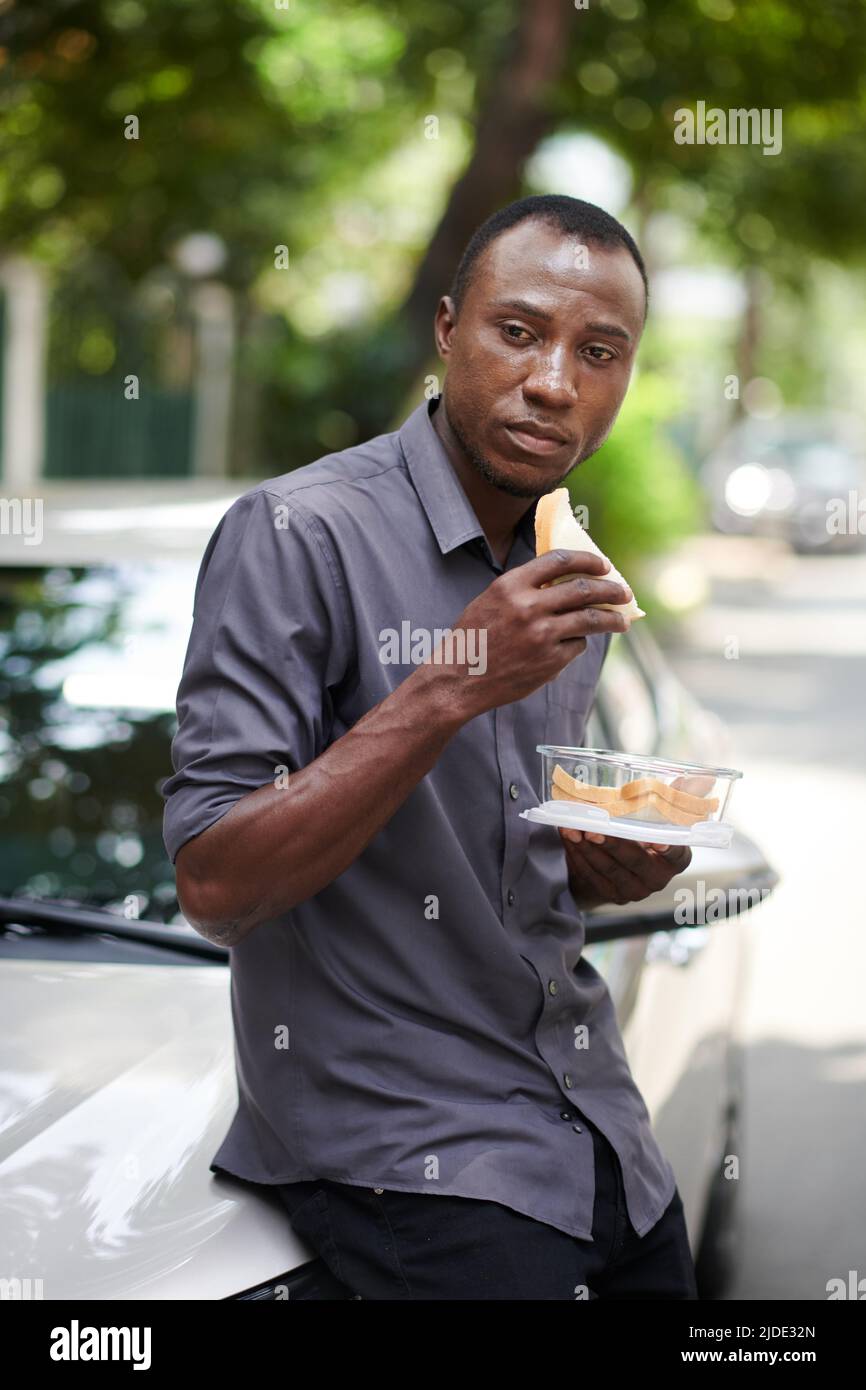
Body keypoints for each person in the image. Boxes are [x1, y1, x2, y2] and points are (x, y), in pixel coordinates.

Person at [162, 194, 699, 1300]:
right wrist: (453, 679)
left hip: (600, 1134)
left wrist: (596, 867)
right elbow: (214, 879)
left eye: (598, 352)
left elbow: (476, 860)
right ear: (446, 329)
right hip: (411, 1163)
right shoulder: (297, 535)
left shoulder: (569, 570)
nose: (554, 381)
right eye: (518, 331)